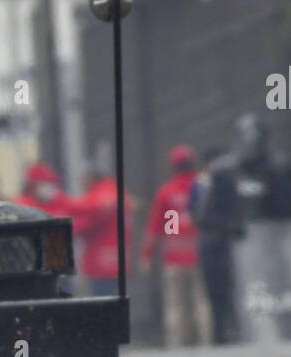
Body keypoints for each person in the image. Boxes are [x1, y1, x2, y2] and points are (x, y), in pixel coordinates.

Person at [142, 145, 210, 346]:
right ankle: (205, 343)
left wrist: (146, 256)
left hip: (173, 259)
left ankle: (177, 345)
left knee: (175, 305)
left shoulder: (166, 192)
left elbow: (154, 227)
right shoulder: (201, 188)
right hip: (198, 256)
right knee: (201, 302)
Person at [191, 145, 243, 344]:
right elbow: (194, 216)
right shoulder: (203, 184)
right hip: (211, 246)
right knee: (215, 293)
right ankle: (219, 333)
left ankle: (224, 332)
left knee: (220, 293)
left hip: (213, 246)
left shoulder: (216, 184)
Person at [71, 169, 133, 297]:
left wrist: (72, 228)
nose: (83, 185)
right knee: (119, 298)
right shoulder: (118, 193)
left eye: (84, 181)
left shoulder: (97, 195)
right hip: (119, 261)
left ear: (92, 179)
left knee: (102, 303)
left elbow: (87, 222)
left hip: (99, 263)